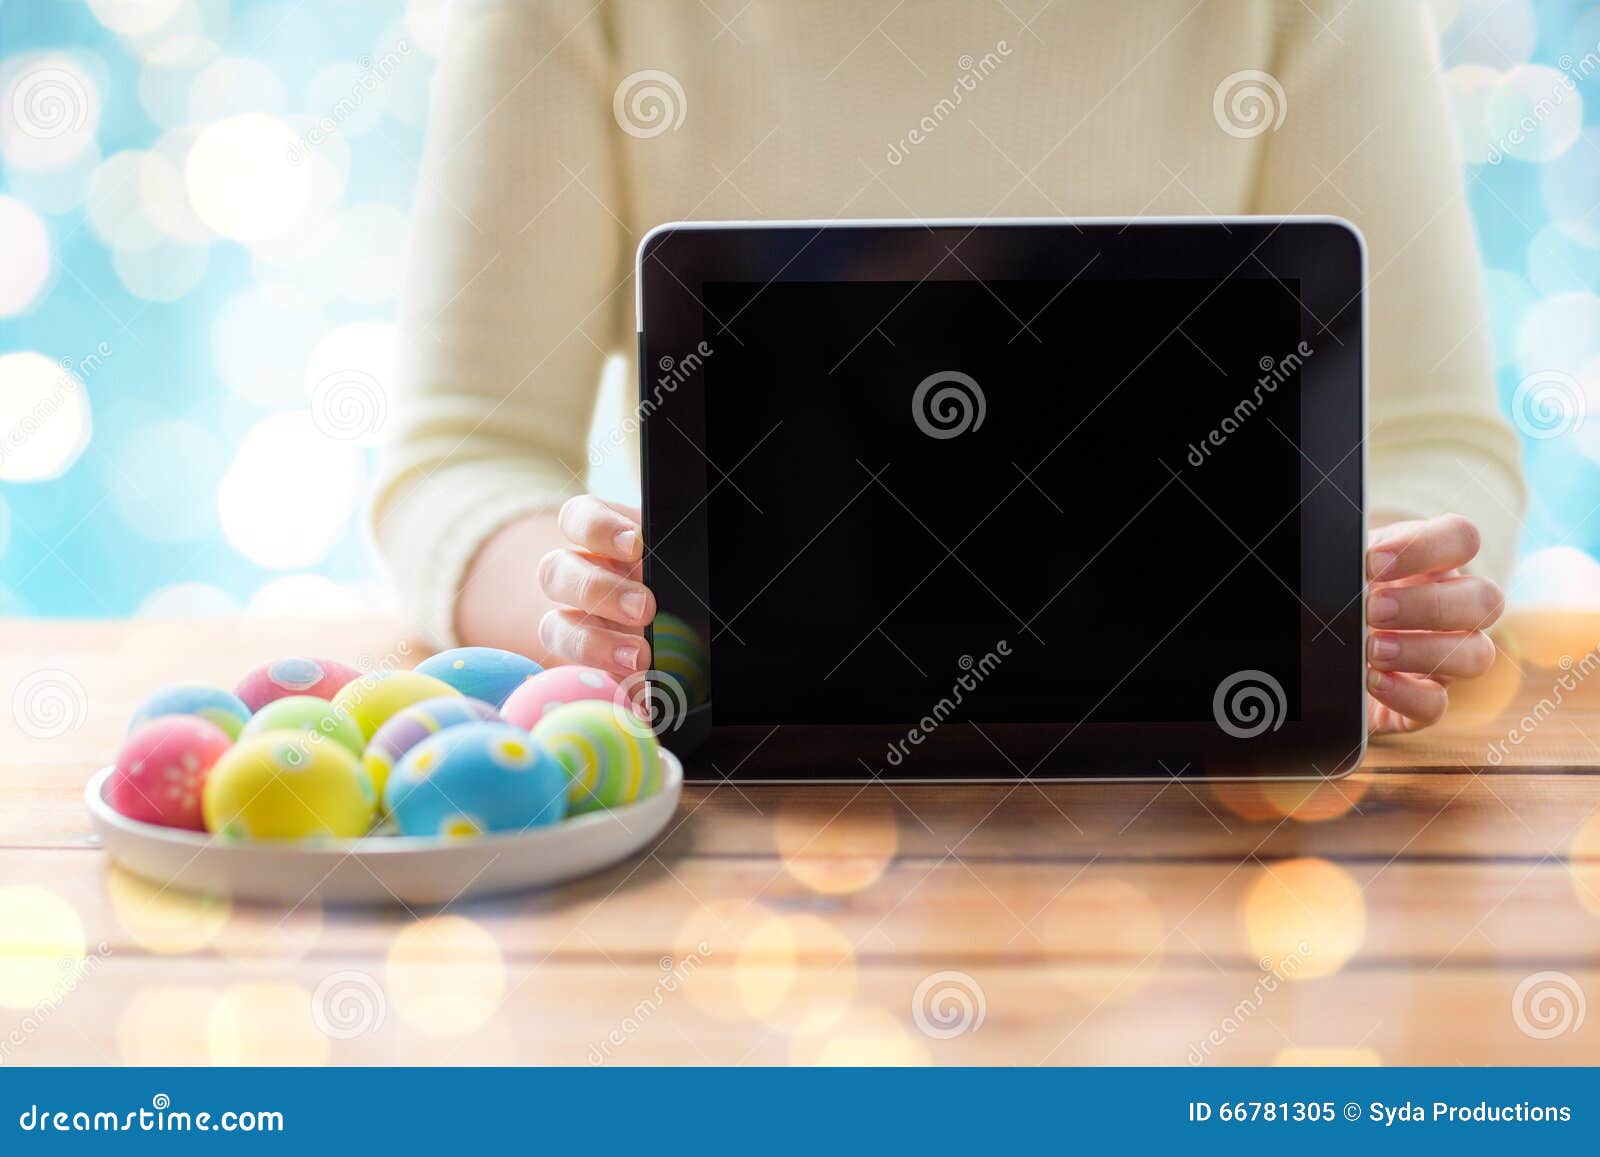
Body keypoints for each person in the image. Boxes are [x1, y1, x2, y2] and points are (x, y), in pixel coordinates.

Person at [372, 0, 1521, 736]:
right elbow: (463, 455)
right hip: (756, 805)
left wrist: (1382, 580)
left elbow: (1430, 439)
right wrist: (585, 611)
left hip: (1199, 787)